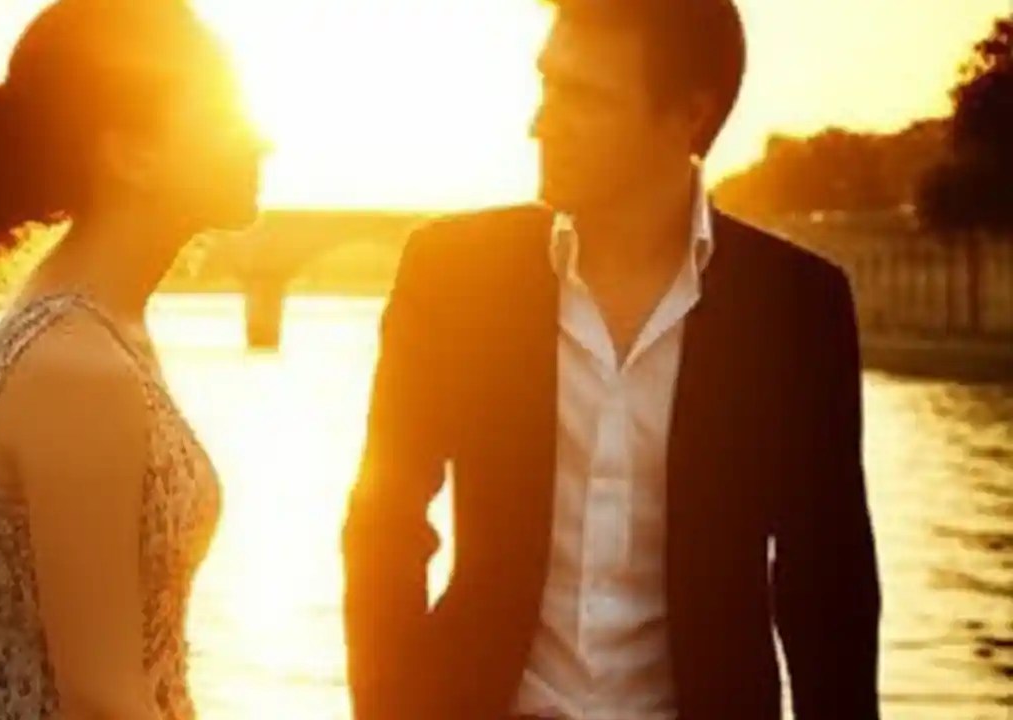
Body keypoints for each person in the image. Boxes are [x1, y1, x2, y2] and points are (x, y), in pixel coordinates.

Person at [342, 1, 881, 718]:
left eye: (583, 97)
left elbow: (827, 582)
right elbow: (384, 521)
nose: (540, 121)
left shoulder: (794, 305)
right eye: (547, 84)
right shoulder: (453, 273)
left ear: (689, 116)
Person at [0, 1, 263, 717]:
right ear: (130, 153)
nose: (262, 141)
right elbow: (103, 702)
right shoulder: (77, 368)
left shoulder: (97, 336)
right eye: (226, 114)